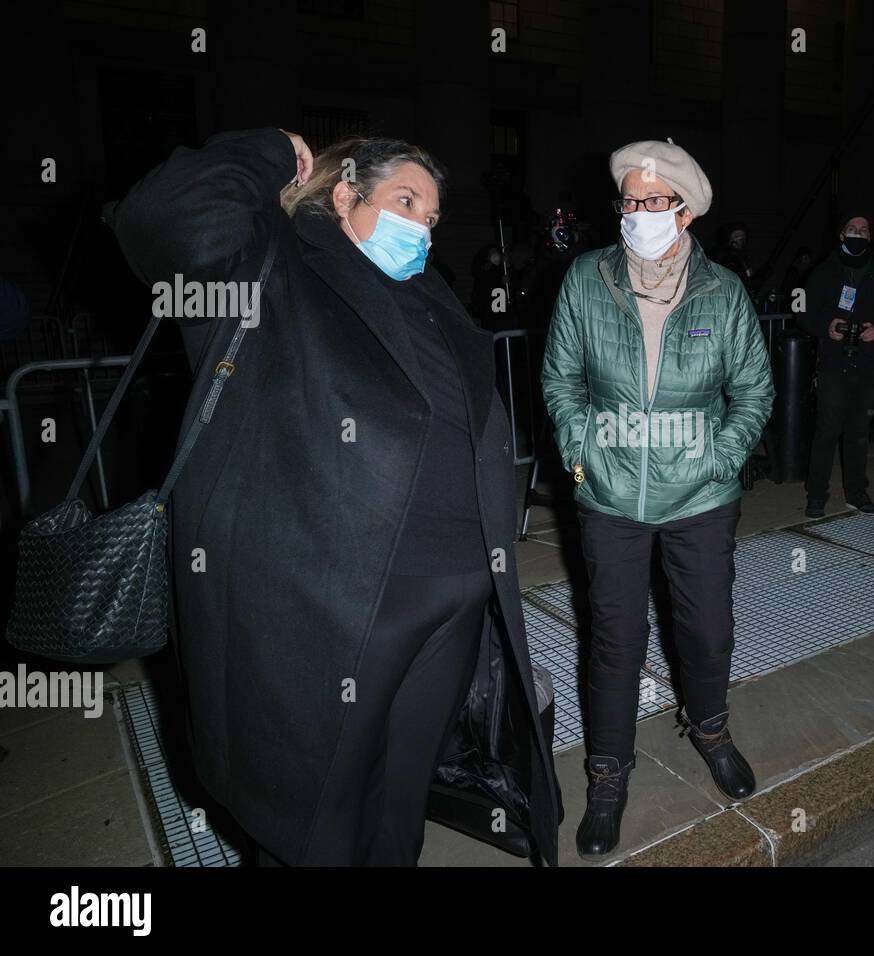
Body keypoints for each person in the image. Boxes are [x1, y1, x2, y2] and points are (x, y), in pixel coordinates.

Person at [105, 128, 560, 866]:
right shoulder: (269, 272)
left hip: (453, 599)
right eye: (405, 200)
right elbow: (165, 214)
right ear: (345, 194)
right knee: (315, 812)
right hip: (338, 603)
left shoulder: (429, 296)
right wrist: (272, 149)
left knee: (400, 798)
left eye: (433, 215)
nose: (421, 224)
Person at [540, 138, 774, 860]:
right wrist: (582, 460)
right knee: (613, 640)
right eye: (628, 201)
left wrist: (718, 458)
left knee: (706, 630)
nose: (635, 214)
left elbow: (755, 393)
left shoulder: (723, 293)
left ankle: (709, 729)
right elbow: (560, 383)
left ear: (686, 210)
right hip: (609, 498)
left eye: (651, 201)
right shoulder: (585, 279)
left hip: (700, 497)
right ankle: (608, 775)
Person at [799, 214, 874, 517]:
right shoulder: (824, 272)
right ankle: (816, 494)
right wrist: (826, 326)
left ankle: (857, 493)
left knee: (858, 432)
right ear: (841, 234)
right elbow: (802, 311)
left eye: (864, 230)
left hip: (867, 363)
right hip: (833, 362)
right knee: (826, 431)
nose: (858, 233)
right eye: (852, 229)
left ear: (870, 237)